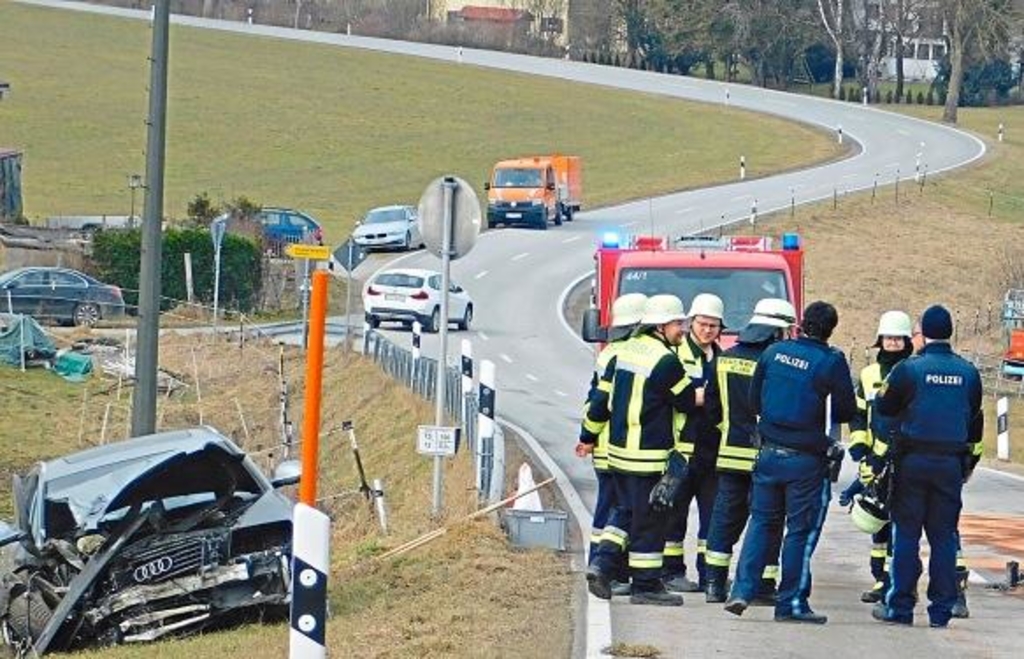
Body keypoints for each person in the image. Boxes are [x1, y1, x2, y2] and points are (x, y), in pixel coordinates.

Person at [725, 300, 856, 624]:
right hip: (806, 460)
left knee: (761, 522)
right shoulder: (831, 361)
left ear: (801, 324)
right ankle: (791, 603)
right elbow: (845, 410)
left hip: (768, 453)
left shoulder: (773, 353)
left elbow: (754, 398)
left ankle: (742, 590)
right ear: (830, 330)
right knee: (799, 531)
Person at [583, 294, 704, 606]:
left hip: (618, 454)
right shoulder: (666, 361)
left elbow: (599, 401)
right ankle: (647, 586)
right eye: (679, 323)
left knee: (623, 511)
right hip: (649, 456)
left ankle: (602, 564)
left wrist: (588, 435)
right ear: (661, 326)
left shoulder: (623, 353)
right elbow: (688, 401)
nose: (683, 330)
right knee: (651, 520)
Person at [870, 305, 983, 628]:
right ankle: (941, 610)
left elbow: (884, 405)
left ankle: (901, 608)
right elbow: (974, 419)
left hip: (913, 462)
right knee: (943, 538)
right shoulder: (968, 372)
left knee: (906, 535)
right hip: (950, 464)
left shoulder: (910, 369)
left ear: (924, 333)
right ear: (949, 332)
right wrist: (969, 463)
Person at [703, 298, 796, 604]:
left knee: (724, 518)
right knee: (767, 519)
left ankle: (714, 584)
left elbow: (712, 411)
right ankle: (764, 586)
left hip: (729, 453)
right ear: (776, 332)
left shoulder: (723, 359)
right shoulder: (776, 364)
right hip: (766, 457)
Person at [578, 293, 648, 596]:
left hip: (604, 444)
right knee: (618, 511)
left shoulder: (609, 352)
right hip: (619, 448)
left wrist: (588, 438)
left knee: (607, 510)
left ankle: (600, 566)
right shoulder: (629, 355)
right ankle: (606, 569)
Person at [846, 311, 914, 604]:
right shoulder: (869, 374)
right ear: (880, 341)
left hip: (904, 458)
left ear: (907, 341)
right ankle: (880, 579)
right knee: (878, 523)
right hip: (874, 458)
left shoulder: (913, 370)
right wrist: (860, 446)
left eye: (898, 338)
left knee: (899, 522)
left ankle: (893, 581)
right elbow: (858, 414)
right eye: (888, 338)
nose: (893, 343)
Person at [663, 293, 724, 593]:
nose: (708, 330)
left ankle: (709, 574)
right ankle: (672, 572)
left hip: (713, 451)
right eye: (703, 324)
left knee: (712, 517)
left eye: (714, 325)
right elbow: (674, 398)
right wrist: (697, 397)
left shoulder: (722, 359)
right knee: (674, 514)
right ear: (691, 323)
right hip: (680, 449)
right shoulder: (674, 356)